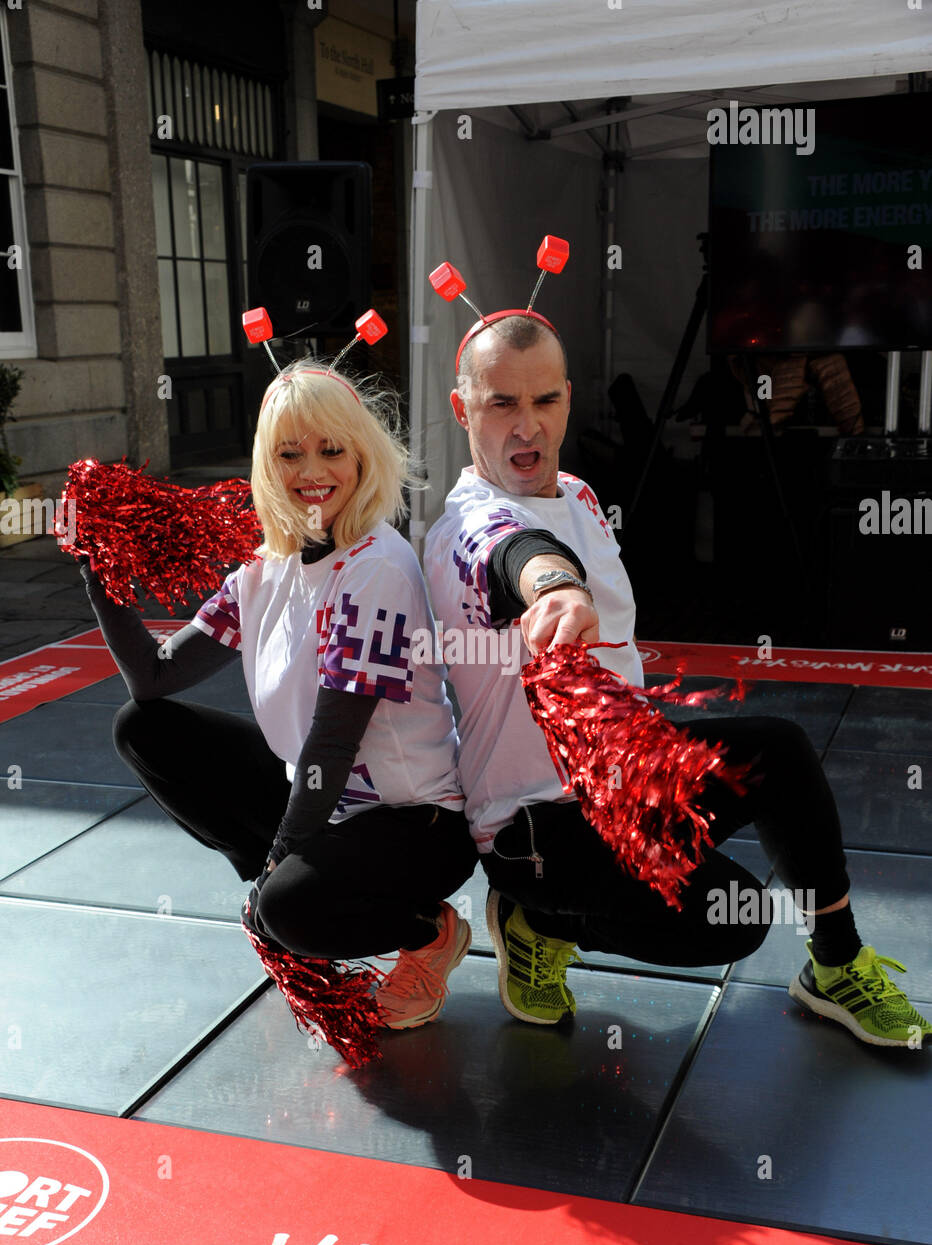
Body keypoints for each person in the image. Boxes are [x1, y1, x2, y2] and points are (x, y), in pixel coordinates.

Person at [425, 312, 931, 1047]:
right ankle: (540, 920)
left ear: (568, 397)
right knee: (733, 917)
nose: (526, 426)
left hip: (630, 779)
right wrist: (557, 589)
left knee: (780, 752)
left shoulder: (580, 494)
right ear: (462, 407)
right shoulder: (464, 527)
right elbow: (514, 552)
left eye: (545, 401)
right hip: (538, 826)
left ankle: (836, 964)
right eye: (501, 403)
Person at [73, 361, 478, 1031]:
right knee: (141, 727)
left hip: (414, 824)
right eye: (290, 453)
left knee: (286, 909)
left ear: (362, 456)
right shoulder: (265, 567)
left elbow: (335, 742)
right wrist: (100, 572)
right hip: (320, 798)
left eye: (331, 449)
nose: (311, 470)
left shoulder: (377, 565)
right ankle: (294, 887)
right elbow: (154, 676)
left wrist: (276, 866)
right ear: (268, 463)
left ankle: (425, 932)